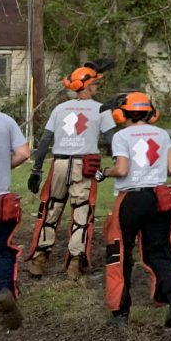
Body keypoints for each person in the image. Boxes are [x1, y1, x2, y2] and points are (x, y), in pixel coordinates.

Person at [97, 91, 171, 329]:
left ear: (121, 113)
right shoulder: (162, 133)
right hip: (159, 197)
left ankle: (120, 312)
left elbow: (122, 169)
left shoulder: (121, 136)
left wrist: (104, 172)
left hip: (131, 199)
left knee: (119, 251)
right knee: (158, 250)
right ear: (150, 113)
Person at [26, 61, 116, 278]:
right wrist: (117, 164)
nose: (97, 87)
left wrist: (36, 170)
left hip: (59, 164)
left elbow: (45, 140)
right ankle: (75, 263)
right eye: (95, 84)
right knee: (81, 212)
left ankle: (39, 260)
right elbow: (112, 139)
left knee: (51, 209)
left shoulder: (60, 109)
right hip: (84, 166)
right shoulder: (102, 109)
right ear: (88, 87)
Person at [0, 107, 32, 330]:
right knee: (0, 251)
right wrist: (3, 167)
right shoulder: (4, 121)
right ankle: (3, 289)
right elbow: (24, 153)